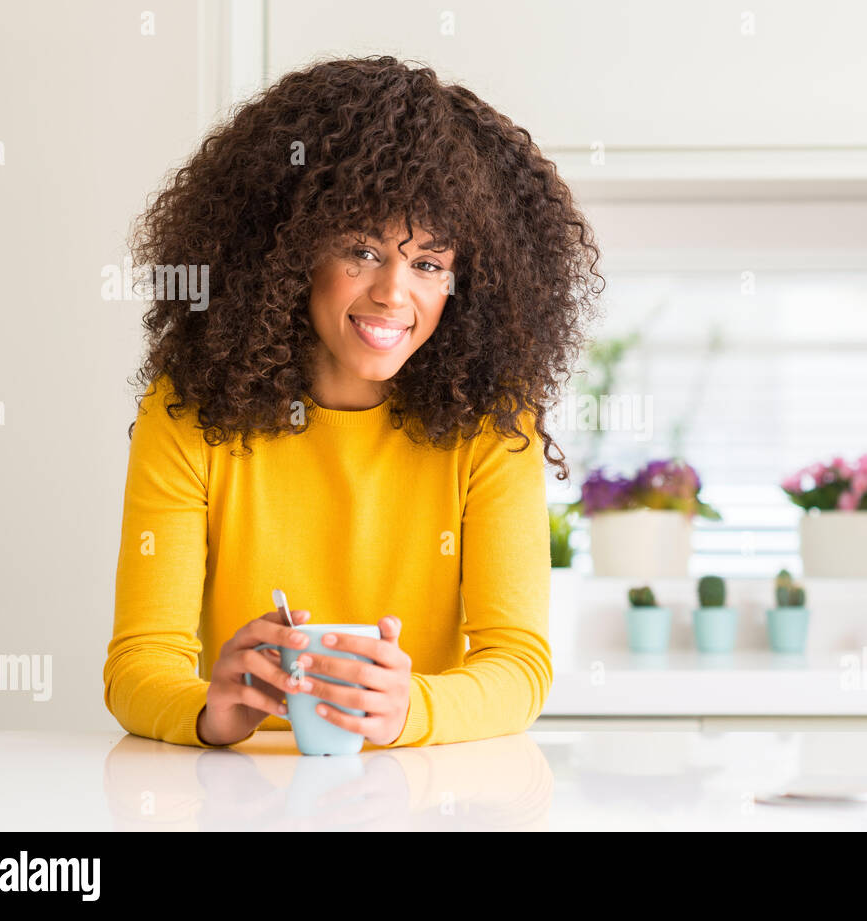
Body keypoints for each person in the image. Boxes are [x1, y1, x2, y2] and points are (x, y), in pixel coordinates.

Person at [104, 55, 602, 748]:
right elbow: (138, 664)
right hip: (240, 792)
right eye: (363, 251)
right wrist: (208, 711)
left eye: (428, 264)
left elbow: (519, 666)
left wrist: (409, 708)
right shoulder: (190, 413)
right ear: (289, 252)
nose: (394, 293)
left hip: (428, 797)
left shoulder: (490, 423)